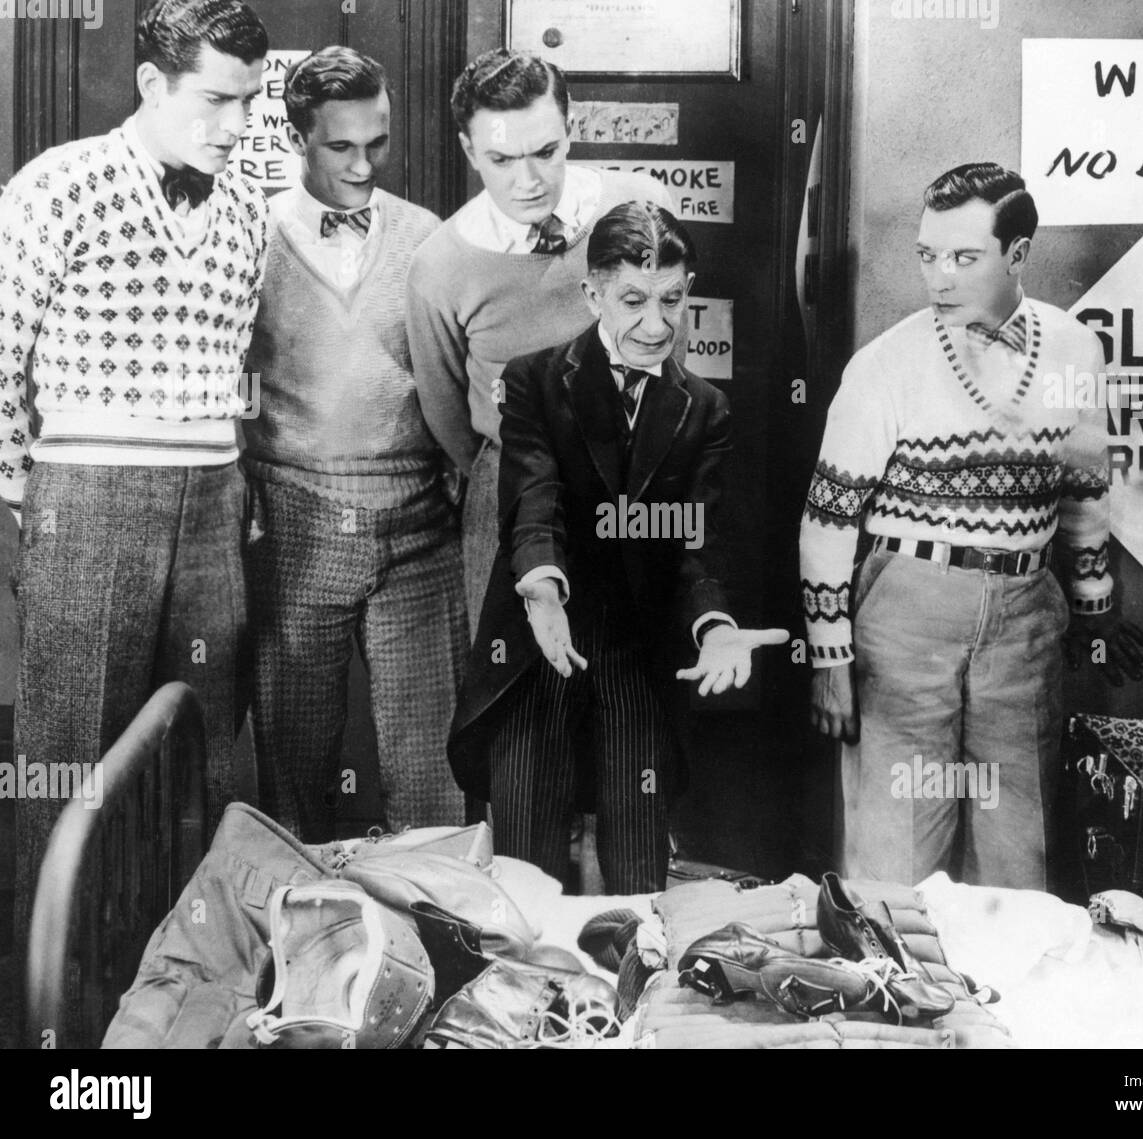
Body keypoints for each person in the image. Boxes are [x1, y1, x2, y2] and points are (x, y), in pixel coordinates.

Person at [0, 0, 269, 984]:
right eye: (216, 100)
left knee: (195, 758)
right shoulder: (57, 185)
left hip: (212, 504)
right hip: (86, 502)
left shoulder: (245, 205)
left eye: (250, 100)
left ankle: (172, 1001)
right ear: (152, 85)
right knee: (73, 767)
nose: (237, 125)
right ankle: (53, 1013)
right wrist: (17, 498)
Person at [800, 162, 1143, 891]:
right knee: (894, 856)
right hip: (905, 616)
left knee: (1019, 854)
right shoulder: (885, 363)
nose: (940, 277)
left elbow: (1085, 499)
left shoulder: (1074, 350)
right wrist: (830, 660)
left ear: (1018, 254)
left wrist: (1092, 611)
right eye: (928, 255)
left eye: (964, 257)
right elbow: (828, 522)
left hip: (1025, 617)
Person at [448, 202, 787, 893]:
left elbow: (698, 543)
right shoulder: (534, 380)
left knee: (639, 874)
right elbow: (534, 499)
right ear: (593, 292)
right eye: (633, 301)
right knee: (525, 878)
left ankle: (639, 996)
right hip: (540, 647)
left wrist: (715, 625)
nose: (656, 325)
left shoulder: (705, 409)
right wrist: (542, 589)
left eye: (672, 299)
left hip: (636, 654)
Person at [241, 46, 468, 841]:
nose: (365, 164)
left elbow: (458, 378)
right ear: (298, 134)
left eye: (378, 142)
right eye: (342, 146)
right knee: (293, 773)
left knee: (432, 773)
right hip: (296, 523)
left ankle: (441, 950)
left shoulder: (427, 237)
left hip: (419, 528)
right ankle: (305, 950)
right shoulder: (251, 235)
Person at [406, 48, 672, 635]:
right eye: (501, 159)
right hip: (511, 488)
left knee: (637, 691)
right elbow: (446, 411)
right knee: (516, 703)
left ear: (570, 129)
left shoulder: (642, 208)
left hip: (635, 478)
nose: (527, 181)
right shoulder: (439, 265)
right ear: (470, 150)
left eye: (545, 152)